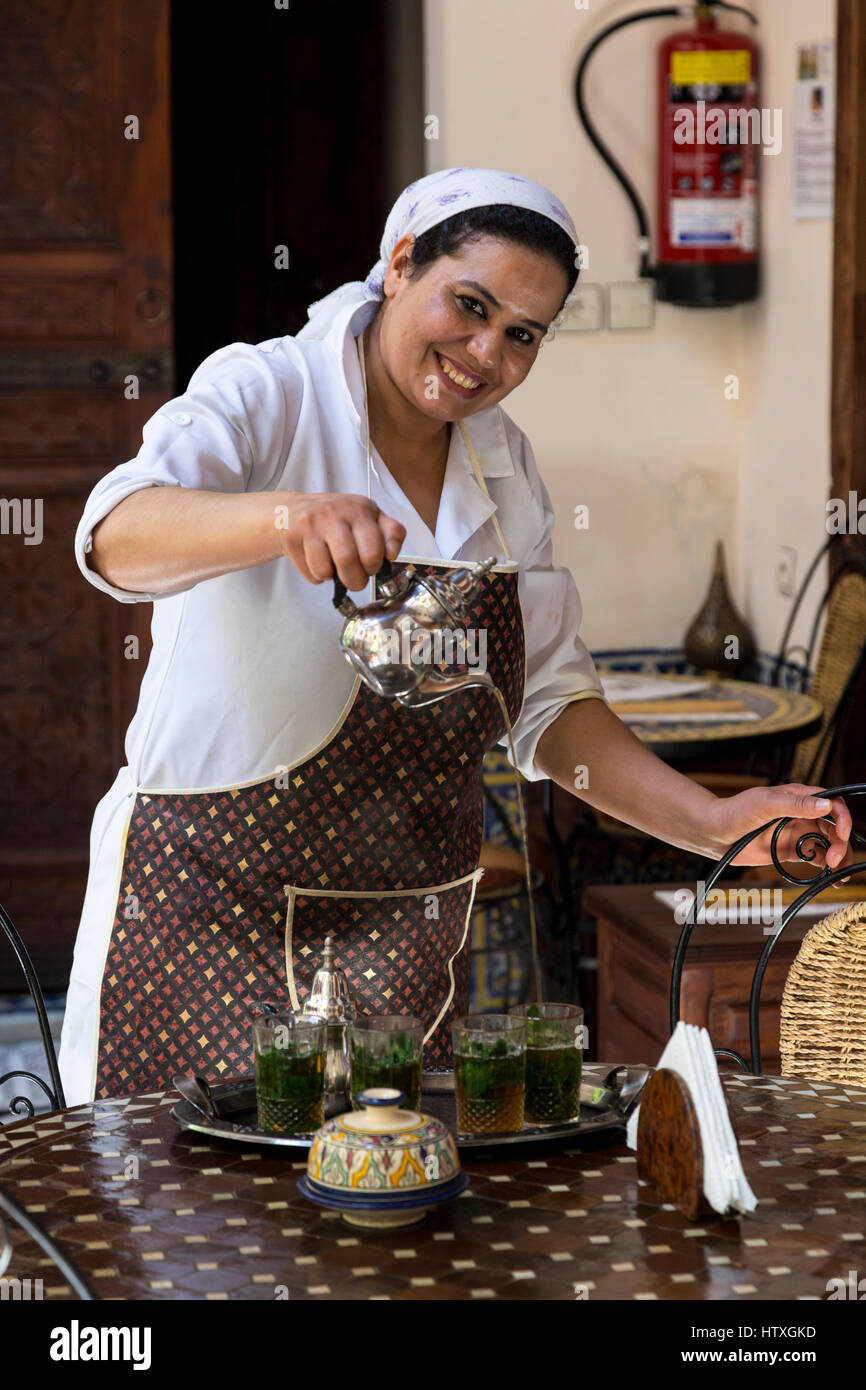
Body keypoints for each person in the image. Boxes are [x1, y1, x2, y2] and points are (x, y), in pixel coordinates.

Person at [58, 167, 851, 1105]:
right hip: (201, 914)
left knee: (387, 1227)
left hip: (402, 945)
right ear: (400, 266)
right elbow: (115, 535)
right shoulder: (270, 391)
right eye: (468, 305)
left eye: (522, 336)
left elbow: (549, 708)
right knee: (186, 1235)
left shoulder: (505, 470)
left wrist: (711, 824)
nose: (484, 352)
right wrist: (283, 519)